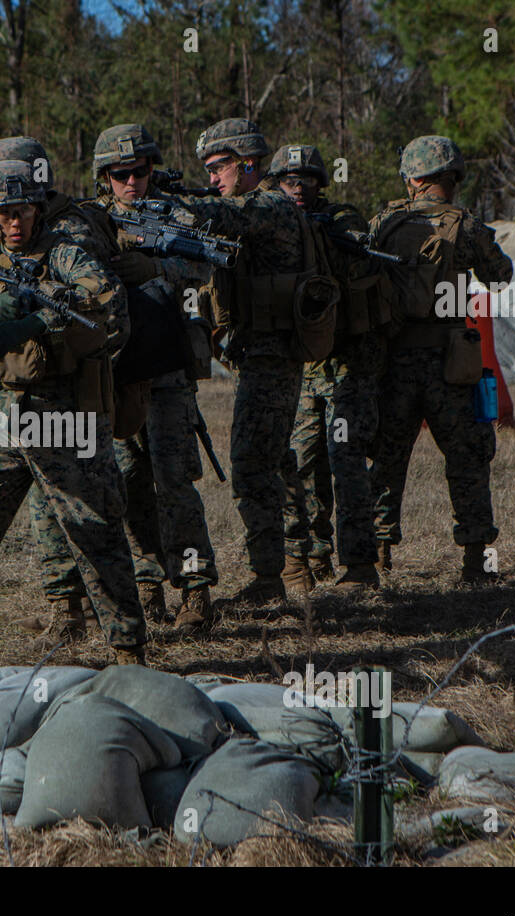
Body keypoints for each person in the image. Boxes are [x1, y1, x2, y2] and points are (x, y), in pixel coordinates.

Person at [0, 159, 146, 684]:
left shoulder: (64, 251)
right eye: (2, 212)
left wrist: (38, 318)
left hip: (64, 413)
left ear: (37, 208)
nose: (13, 222)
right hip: (6, 414)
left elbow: (107, 299)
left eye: (21, 210)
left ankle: (129, 650)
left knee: (93, 529)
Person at [78, 122, 220, 629]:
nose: (131, 182)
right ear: (105, 177)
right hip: (116, 369)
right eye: (120, 175)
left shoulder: (176, 213)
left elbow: (202, 268)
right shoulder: (90, 220)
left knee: (174, 479)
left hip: (167, 366)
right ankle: (145, 582)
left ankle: (196, 588)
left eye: (139, 171)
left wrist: (156, 270)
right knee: (127, 482)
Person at [191, 119, 337, 607]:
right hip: (263, 354)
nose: (213, 178)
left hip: (273, 356)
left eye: (219, 168)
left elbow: (219, 216)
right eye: (207, 171)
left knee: (251, 464)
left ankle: (269, 578)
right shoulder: (261, 206)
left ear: (248, 162)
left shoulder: (269, 205)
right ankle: (298, 565)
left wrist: (176, 201)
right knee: (276, 458)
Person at [367, 135, 513, 582]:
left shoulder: (383, 224)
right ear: (452, 178)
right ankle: (475, 561)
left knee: (386, 462)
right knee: (467, 460)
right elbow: (501, 276)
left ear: (411, 178)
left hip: (393, 362)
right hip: (453, 364)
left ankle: (376, 555)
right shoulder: (465, 226)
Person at [266, 145, 387, 593]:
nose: (298, 189)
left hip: (347, 366)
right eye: (289, 180)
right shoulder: (275, 224)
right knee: (301, 463)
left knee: (346, 460)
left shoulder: (340, 219)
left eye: (308, 180)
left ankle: (360, 565)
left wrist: (329, 238)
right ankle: (312, 558)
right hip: (305, 366)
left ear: (322, 183)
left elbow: (360, 254)